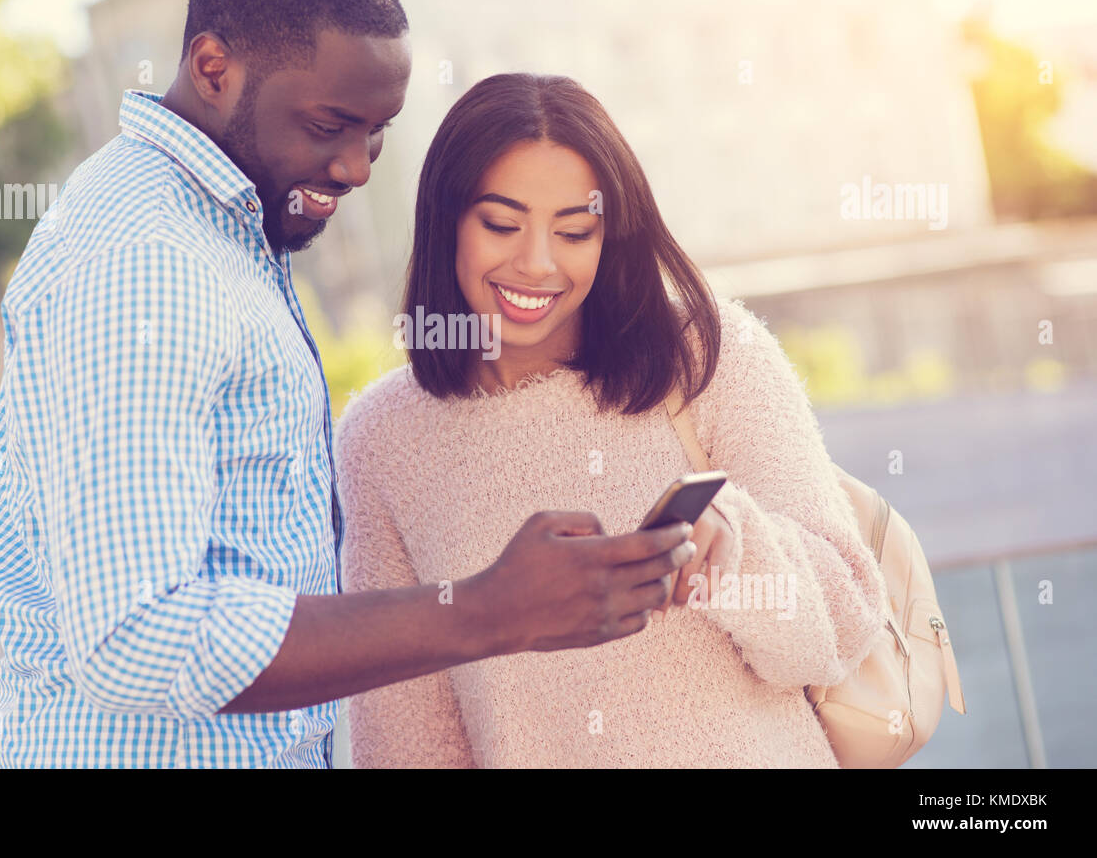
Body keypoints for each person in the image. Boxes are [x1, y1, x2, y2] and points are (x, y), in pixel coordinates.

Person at [0, 0, 693, 769]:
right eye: (330, 124)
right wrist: (485, 610)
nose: (356, 167)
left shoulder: (222, 231)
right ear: (214, 70)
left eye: (378, 132)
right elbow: (133, 633)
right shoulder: (150, 260)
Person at [335, 73, 891, 767]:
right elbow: (405, 742)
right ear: (445, 219)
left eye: (574, 231)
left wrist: (735, 554)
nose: (537, 263)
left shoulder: (710, 354)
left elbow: (842, 622)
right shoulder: (383, 439)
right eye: (502, 224)